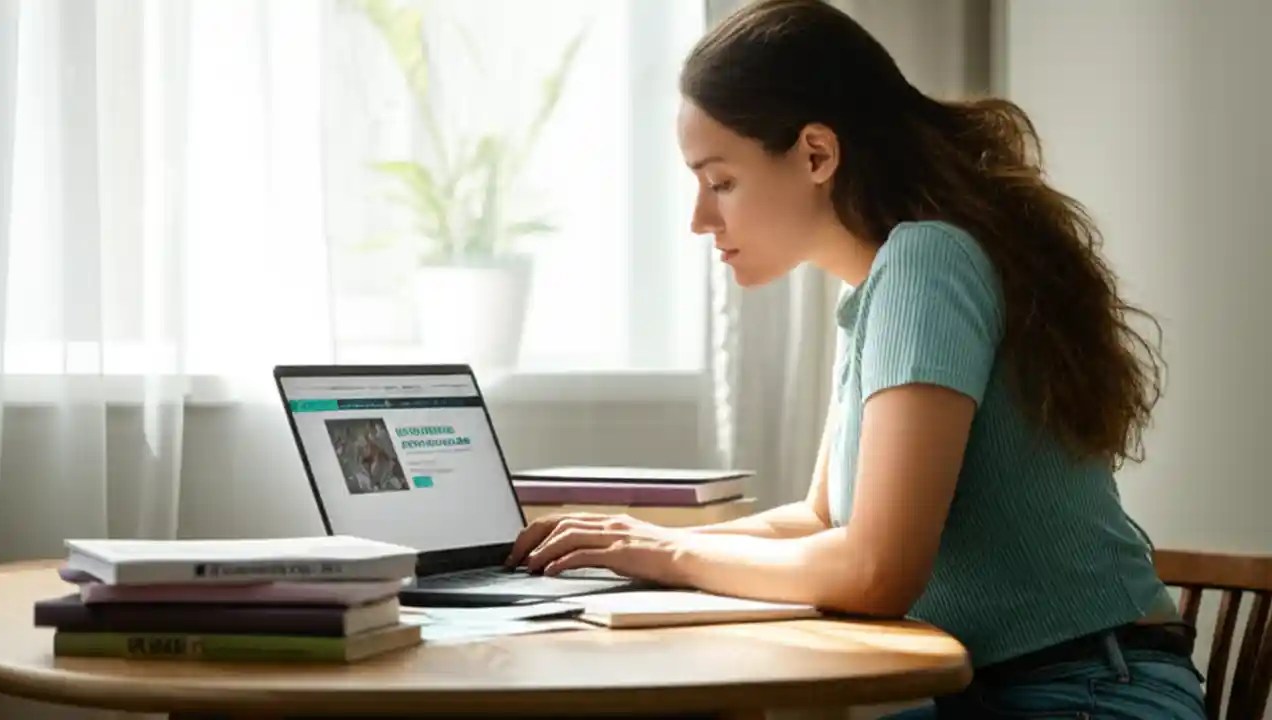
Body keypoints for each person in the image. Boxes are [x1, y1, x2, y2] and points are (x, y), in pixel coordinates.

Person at [506, 1, 1205, 717]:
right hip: (1007, 689)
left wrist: (671, 557)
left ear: (817, 153)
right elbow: (820, 518)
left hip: (1089, 692)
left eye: (720, 182)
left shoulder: (926, 261)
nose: (700, 218)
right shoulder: (882, 281)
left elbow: (876, 569)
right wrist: (644, 540)